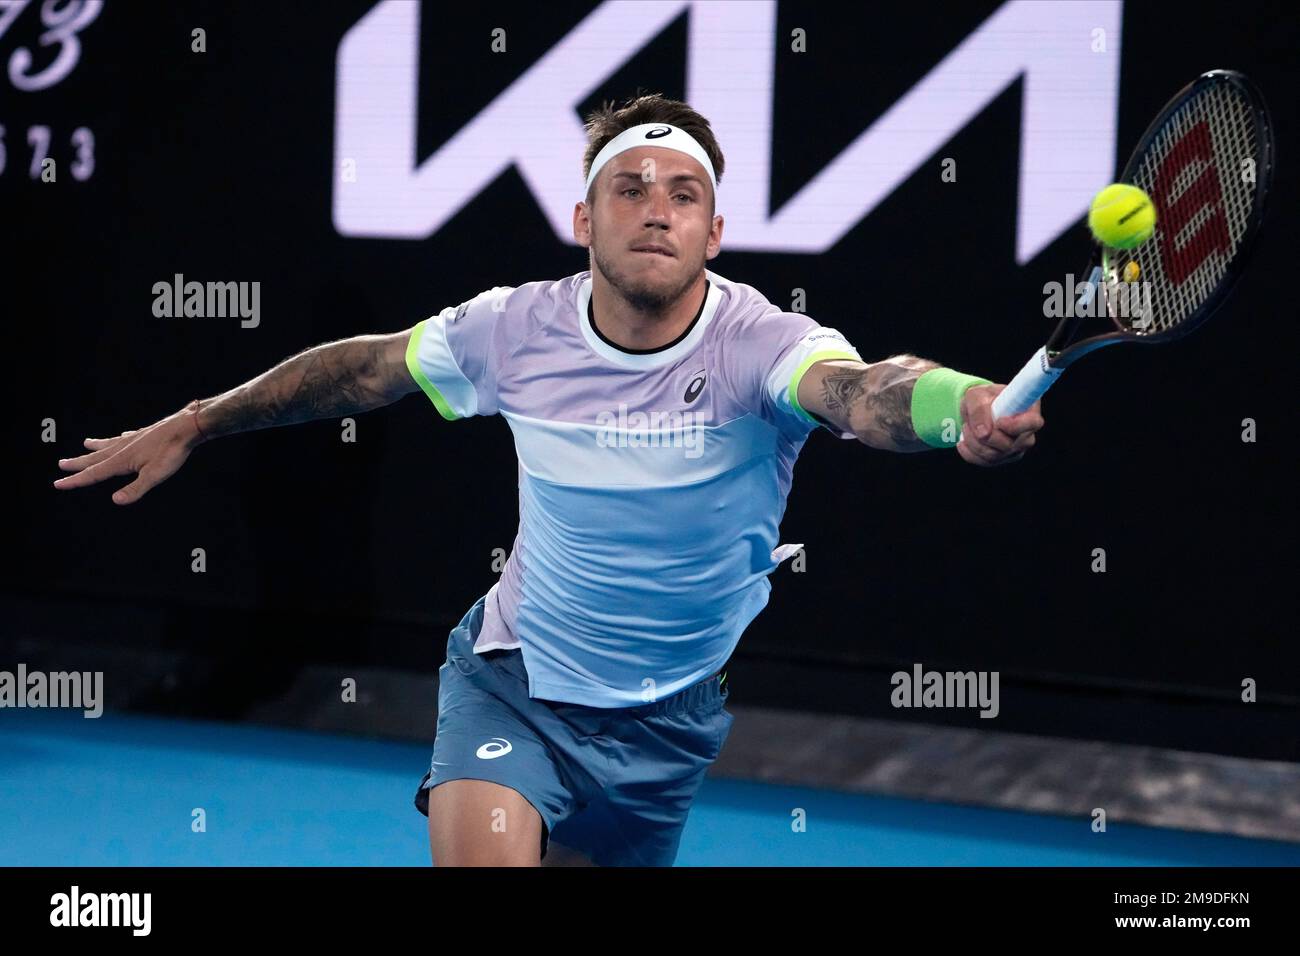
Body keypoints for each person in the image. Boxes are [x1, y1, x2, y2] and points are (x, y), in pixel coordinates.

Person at [53, 93, 1044, 866]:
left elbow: (866, 390)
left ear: (714, 232)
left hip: (669, 718)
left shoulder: (765, 343)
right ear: (583, 217)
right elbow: (362, 367)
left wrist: (955, 402)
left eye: (682, 194)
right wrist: (196, 418)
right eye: (630, 187)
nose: (656, 210)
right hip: (514, 681)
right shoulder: (513, 327)